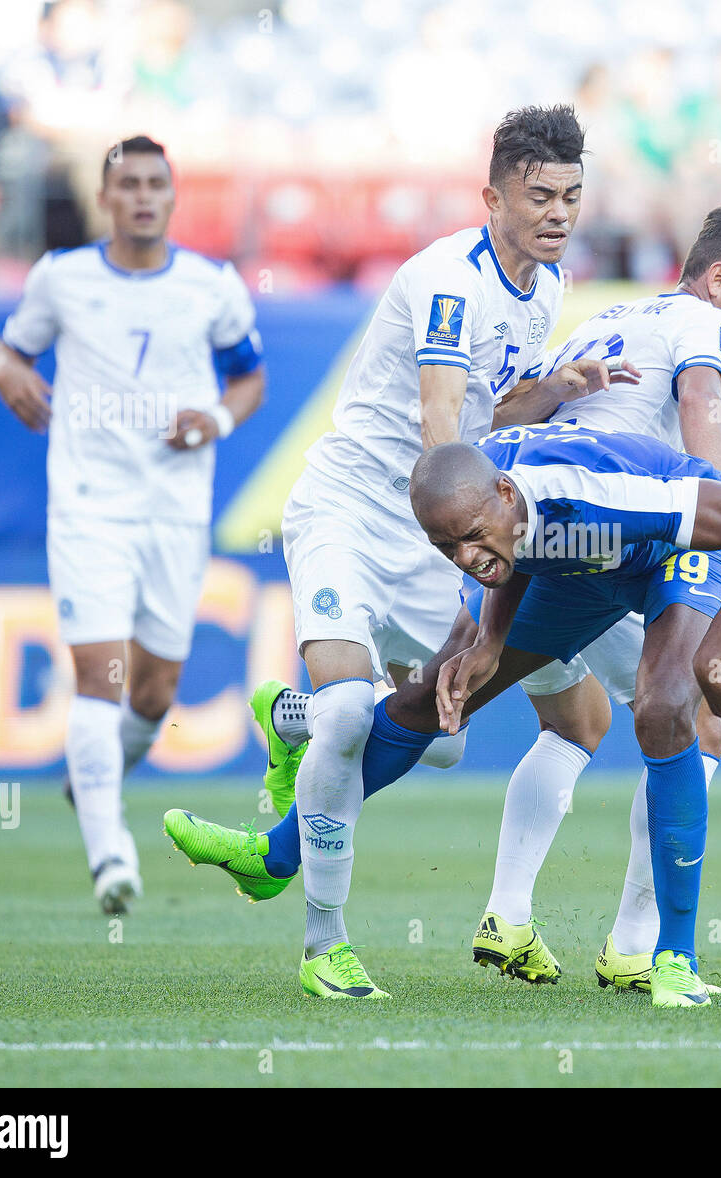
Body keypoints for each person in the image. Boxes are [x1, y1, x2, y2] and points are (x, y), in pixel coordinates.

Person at [162, 106, 631, 1000]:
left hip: (437, 520)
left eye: (572, 195)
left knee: (438, 734)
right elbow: (443, 425)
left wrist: (559, 389)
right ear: (492, 195)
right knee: (353, 718)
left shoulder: (549, 287)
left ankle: (287, 728)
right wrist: (476, 544)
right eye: (540, 195)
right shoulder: (450, 279)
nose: (559, 212)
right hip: (358, 510)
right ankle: (324, 946)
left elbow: (489, 411)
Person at [392, 422, 721, 1007]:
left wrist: (488, 629)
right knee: (674, 717)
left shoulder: (565, 375)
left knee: (540, 719)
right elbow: (703, 418)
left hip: (548, 548)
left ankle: (508, 913)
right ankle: (642, 949)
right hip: (617, 536)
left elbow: (518, 438)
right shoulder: (702, 331)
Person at [0, 134, 265, 914]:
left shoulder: (210, 287)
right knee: (98, 678)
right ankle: (110, 854)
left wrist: (212, 417)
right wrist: (11, 375)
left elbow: (250, 380)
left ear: (172, 198)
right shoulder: (63, 279)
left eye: (155, 184)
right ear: (107, 198)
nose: (142, 195)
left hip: (175, 511)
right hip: (89, 507)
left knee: (156, 688)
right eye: (128, 184)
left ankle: (94, 778)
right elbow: (7, 355)